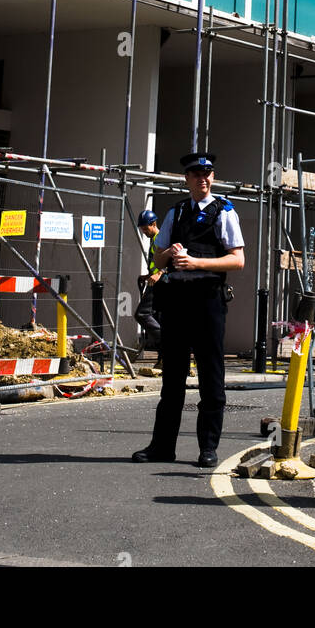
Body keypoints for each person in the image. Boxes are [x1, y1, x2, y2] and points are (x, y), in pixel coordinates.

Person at [131, 152, 244, 469]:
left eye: (208, 173)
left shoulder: (224, 212)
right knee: (173, 379)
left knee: (211, 378)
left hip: (208, 300)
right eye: (196, 174)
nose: (203, 178)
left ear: (213, 178)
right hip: (178, 301)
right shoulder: (176, 212)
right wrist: (170, 252)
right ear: (187, 179)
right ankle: (162, 447)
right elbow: (158, 261)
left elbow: (237, 260)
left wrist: (197, 262)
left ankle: (208, 448)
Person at [135, 210, 162, 364]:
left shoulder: (161, 238)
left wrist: (158, 274)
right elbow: (156, 263)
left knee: (142, 314)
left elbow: (171, 258)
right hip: (154, 281)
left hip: (160, 282)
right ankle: (163, 357)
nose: (144, 232)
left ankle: (167, 342)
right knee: (157, 317)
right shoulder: (154, 239)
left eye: (146, 229)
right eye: (142, 229)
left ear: (153, 224)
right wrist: (148, 275)